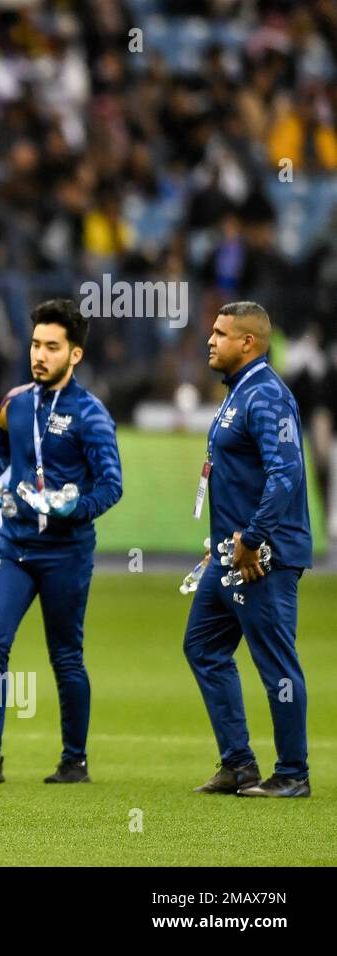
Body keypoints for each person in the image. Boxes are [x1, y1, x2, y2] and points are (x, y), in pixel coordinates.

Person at [0, 299, 123, 784]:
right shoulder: (14, 403)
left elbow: (111, 485)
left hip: (67, 552)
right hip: (13, 547)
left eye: (52, 347)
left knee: (66, 656)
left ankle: (74, 760)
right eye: (36, 344)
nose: (39, 355)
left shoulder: (92, 415)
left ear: (75, 355)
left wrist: (72, 507)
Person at [183, 302, 312, 798]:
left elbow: (287, 474)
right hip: (230, 555)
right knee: (202, 646)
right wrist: (222, 544)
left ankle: (293, 773)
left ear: (248, 343)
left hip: (262, 557)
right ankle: (239, 763)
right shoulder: (240, 392)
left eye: (220, 333)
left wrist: (253, 538)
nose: (210, 340)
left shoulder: (267, 397)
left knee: (276, 662)